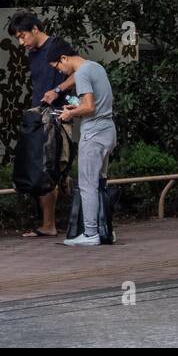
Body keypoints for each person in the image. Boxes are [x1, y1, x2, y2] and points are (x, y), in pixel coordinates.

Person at [7, 12, 74, 238]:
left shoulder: (57, 45)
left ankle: (50, 223)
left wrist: (57, 90)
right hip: (38, 115)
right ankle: (48, 222)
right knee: (40, 167)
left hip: (59, 115)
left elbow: (79, 71)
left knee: (50, 167)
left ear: (35, 29)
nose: (21, 42)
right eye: (18, 37)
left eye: (22, 36)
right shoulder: (33, 53)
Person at [46, 40, 116, 247]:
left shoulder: (83, 72)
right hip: (108, 130)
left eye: (57, 66)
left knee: (87, 184)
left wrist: (70, 114)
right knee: (100, 183)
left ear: (64, 58)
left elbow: (89, 107)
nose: (60, 71)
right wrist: (71, 104)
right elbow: (94, 102)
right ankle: (105, 230)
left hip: (93, 134)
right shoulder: (96, 67)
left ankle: (91, 233)